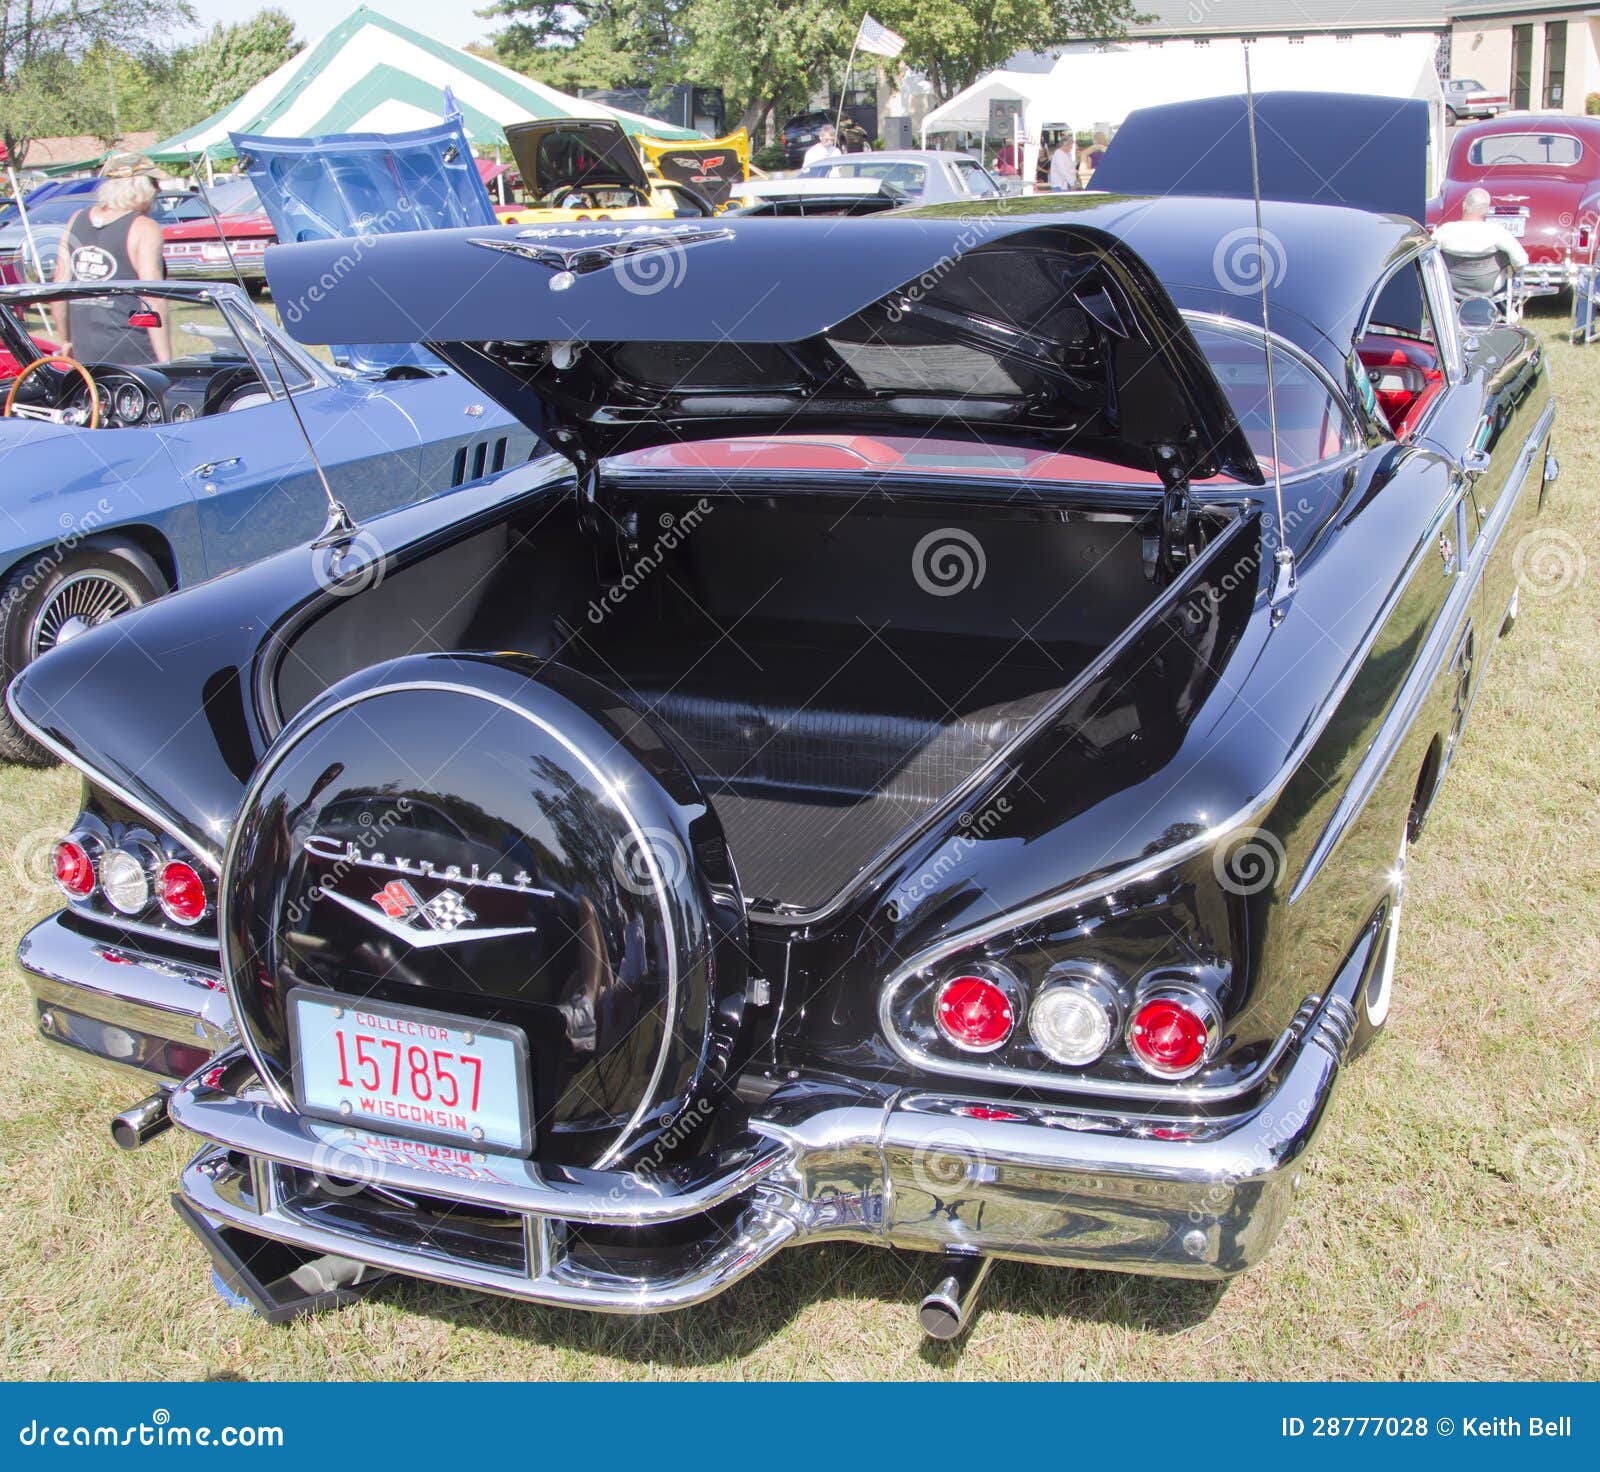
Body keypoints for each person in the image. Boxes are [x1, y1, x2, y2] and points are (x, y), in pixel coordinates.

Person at [51, 152, 169, 365]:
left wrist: (66, 339)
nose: (158, 190)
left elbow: (59, 286)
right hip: (133, 349)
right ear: (139, 186)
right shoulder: (144, 227)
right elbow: (152, 297)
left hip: (85, 347)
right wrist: (165, 359)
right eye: (154, 183)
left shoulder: (76, 220)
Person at [1433, 185, 1529, 284]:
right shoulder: (1497, 232)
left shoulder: (1444, 230)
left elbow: (1427, 253)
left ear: (1464, 205)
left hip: (1451, 285)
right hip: (1489, 286)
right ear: (1487, 210)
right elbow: (1520, 260)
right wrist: (1513, 270)